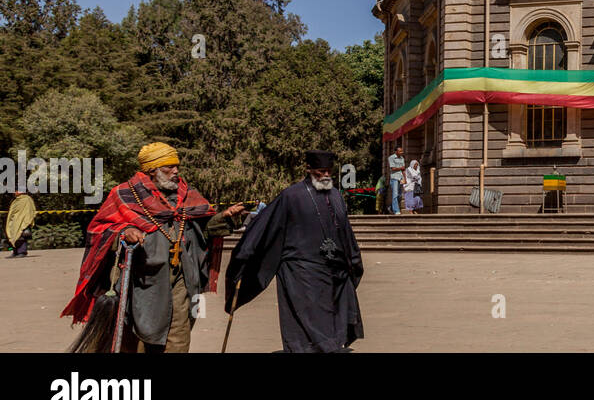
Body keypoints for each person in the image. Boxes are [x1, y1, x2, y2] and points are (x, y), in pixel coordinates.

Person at [63, 142, 245, 353]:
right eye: (169, 167)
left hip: (182, 278)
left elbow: (203, 229)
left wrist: (224, 218)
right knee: (137, 335)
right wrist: (125, 233)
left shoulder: (187, 195)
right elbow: (100, 230)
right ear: (152, 170)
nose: (176, 171)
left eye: (176, 166)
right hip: (141, 281)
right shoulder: (124, 195)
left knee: (179, 333)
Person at [225, 150, 364, 353]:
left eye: (329, 172)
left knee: (334, 316)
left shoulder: (335, 195)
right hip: (301, 269)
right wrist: (245, 254)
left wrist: (352, 259)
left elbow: (345, 230)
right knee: (306, 318)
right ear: (309, 170)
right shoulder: (291, 195)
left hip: (334, 267)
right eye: (320, 172)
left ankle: (331, 346)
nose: (325, 176)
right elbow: (266, 225)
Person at [5, 191, 35, 258]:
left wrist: (27, 221)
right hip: (14, 222)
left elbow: (30, 210)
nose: (15, 192)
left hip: (23, 221)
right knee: (14, 237)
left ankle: (22, 252)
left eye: (17, 191)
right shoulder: (15, 201)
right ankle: (15, 252)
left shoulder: (27, 199)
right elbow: (12, 212)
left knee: (21, 237)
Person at [387, 143, 405, 216]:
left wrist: (405, 179)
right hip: (394, 178)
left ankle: (391, 207)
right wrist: (401, 168)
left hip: (400, 178)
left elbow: (403, 169)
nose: (402, 152)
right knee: (395, 194)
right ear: (396, 151)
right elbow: (393, 168)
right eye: (400, 151)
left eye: (402, 151)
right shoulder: (391, 158)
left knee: (400, 195)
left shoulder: (402, 158)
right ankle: (396, 210)